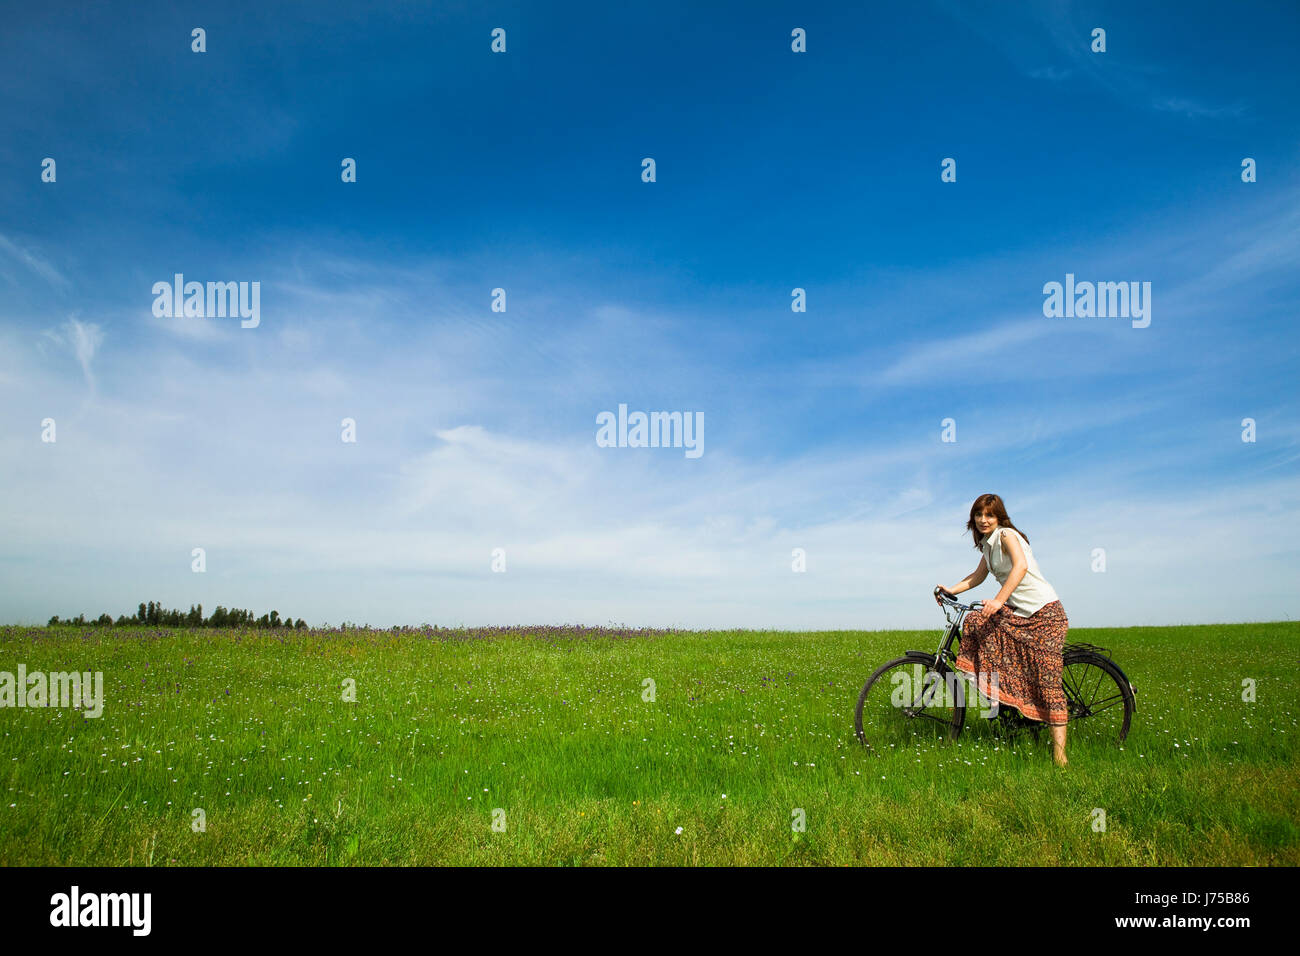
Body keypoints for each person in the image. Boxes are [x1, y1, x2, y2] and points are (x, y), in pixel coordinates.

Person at [935, 493, 1070, 766]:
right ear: (973, 518)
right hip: (1020, 613)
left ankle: (1059, 755)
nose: (984, 520)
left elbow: (1020, 566)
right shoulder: (987, 545)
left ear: (999, 517)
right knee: (974, 621)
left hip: (1045, 614)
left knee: (1047, 682)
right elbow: (977, 576)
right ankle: (1006, 700)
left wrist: (998, 601)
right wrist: (950, 588)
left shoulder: (1007, 535)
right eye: (979, 515)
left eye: (990, 515)